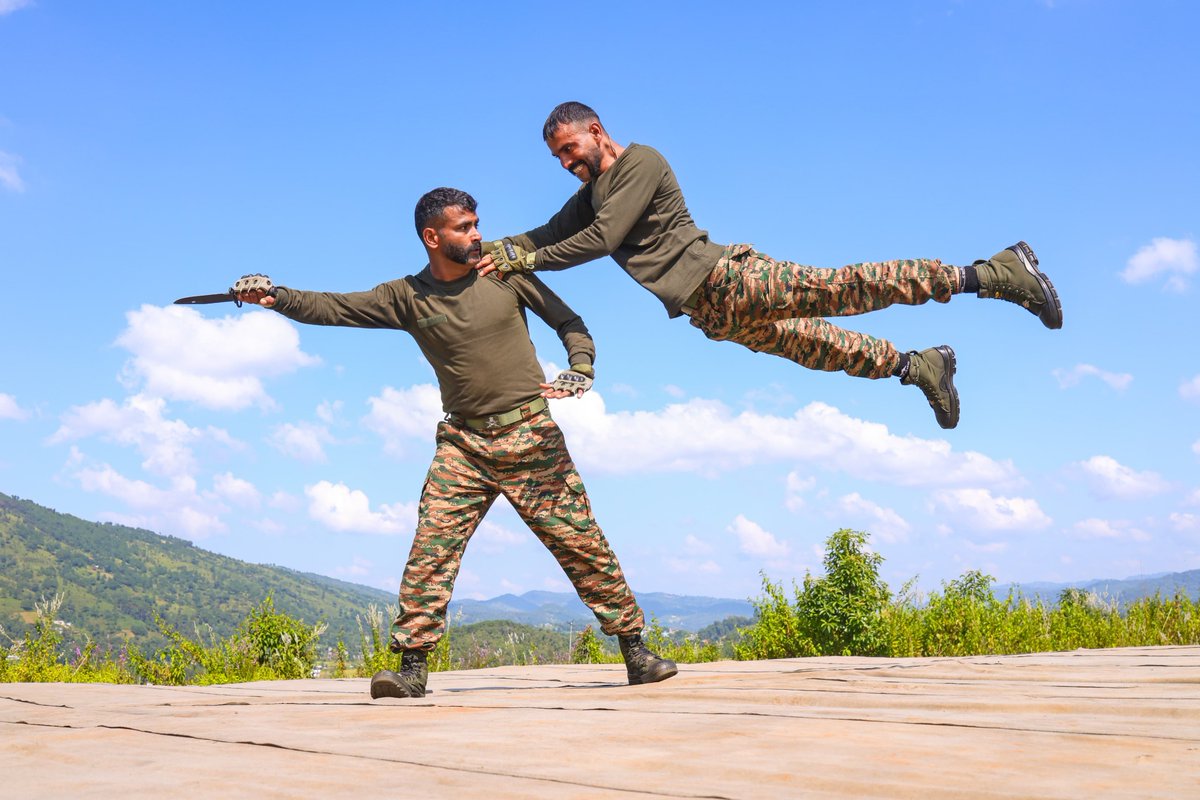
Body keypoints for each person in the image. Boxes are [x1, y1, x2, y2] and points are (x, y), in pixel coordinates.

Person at [231, 186, 677, 698]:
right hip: (463, 445)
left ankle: (636, 652)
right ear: (432, 237)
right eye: (464, 228)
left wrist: (581, 367)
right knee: (431, 549)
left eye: (476, 224)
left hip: (531, 437)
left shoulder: (503, 272)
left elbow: (569, 323)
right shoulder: (406, 296)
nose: (477, 234)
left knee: (581, 543)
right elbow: (335, 307)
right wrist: (275, 296)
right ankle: (411, 670)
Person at [477, 101, 1063, 430]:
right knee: (818, 347)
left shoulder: (640, 163)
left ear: (595, 131)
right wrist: (484, 252)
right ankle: (920, 366)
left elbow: (602, 239)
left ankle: (995, 274)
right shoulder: (589, 195)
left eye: (569, 149)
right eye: (557, 157)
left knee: (846, 289)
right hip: (709, 312)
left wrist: (526, 260)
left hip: (729, 278)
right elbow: (548, 232)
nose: (565, 162)